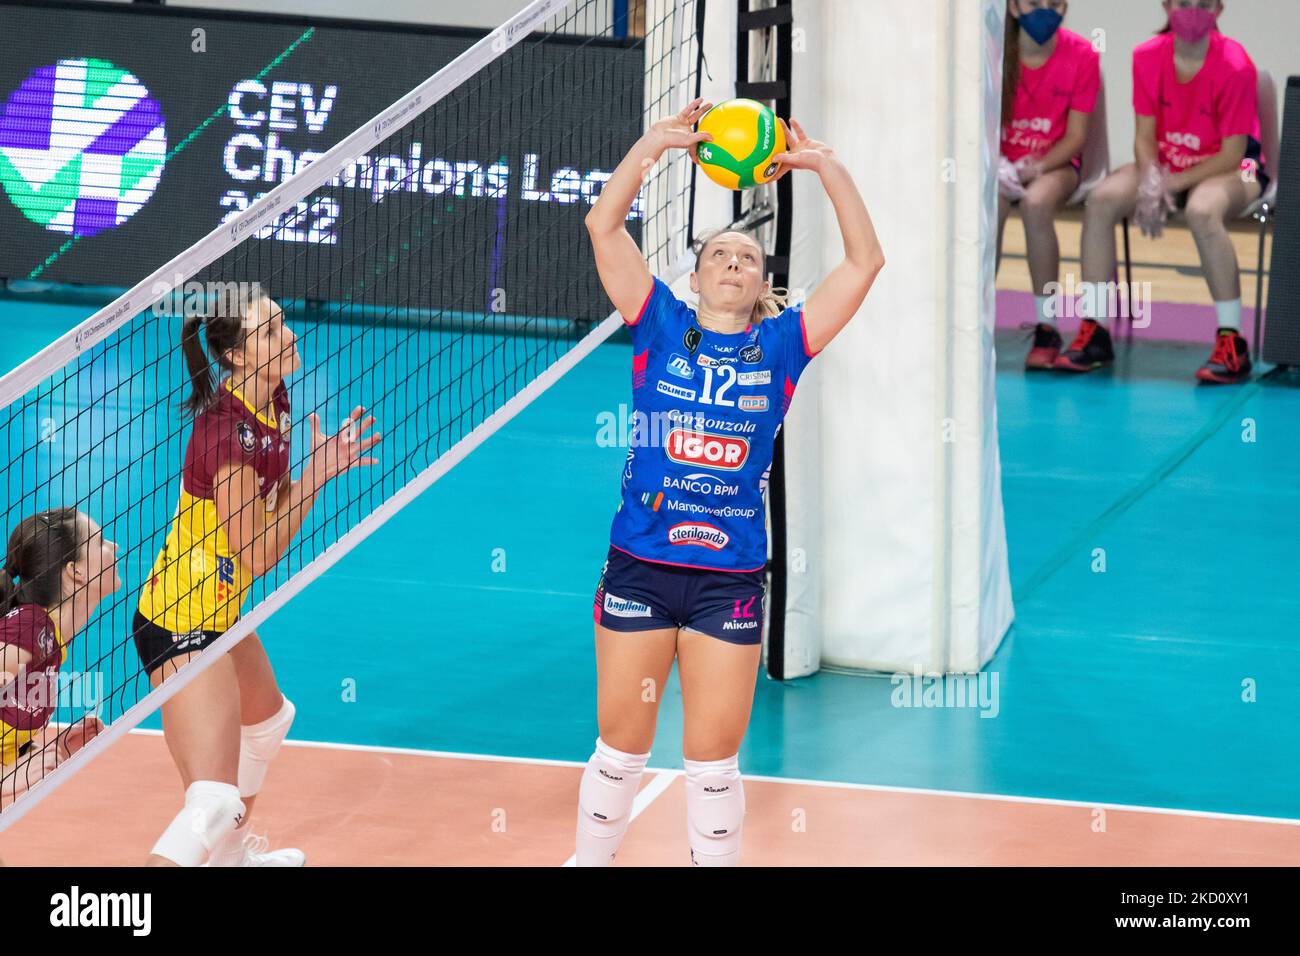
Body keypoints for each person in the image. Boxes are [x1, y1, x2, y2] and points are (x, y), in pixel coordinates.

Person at [577, 98, 884, 865]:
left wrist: (825, 167)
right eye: (720, 254)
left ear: (760, 285)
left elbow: (864, 263)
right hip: (642, 567)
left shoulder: (784, 345)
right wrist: (652, 144)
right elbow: (602, 227)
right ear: (697, 275)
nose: (735, 263)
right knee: (621, 747)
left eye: (748, 259)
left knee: (712, 765)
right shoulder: (656, 323)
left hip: (728, 579)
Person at [134, 291, 380, 866]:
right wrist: (317, 476)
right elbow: (257, 556)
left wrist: (320, 467)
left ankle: (232, 860)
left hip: (217, 610)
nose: (289, 335)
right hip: (182, 621)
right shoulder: (225, 438)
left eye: (283, 324)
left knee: (269, 722)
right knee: (212, 803)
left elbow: (271, 505)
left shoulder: (273, 398)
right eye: (271, 333)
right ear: (239, 357)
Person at [1073, 0, 1265, 382]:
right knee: (1101, 201)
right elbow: (1144, 137)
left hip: (1239, 167)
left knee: (1202, 210)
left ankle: (1232, 342)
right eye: (1183, 3)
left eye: (1203, 4)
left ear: (1219, 10)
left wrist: (1169, 185)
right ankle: (1094, 329)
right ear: (1166, 5)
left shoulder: (1236, 65)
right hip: (1167, 165)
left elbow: (1233, 154)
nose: (1192, 11)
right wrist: (1150, 179)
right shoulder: (1146, 57)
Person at [995, 0, 1101, 369]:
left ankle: (1047, 325)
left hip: (1056, 166)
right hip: (999, 165)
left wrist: (1031, 169)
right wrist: (997, 166)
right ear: (1012, 7)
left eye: (1053, 2)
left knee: (1037, 203)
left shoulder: (1083, 56)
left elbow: (1075, 138)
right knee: (988, 205)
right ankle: (974, 321)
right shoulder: (992, 51)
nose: (1044, 9)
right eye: (1033, 1)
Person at [1, 508, 114, 802]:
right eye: (100, 542)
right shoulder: (29, 628)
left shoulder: (48, 638)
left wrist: (54, 750)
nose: (114, 547)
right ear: (75, 571)